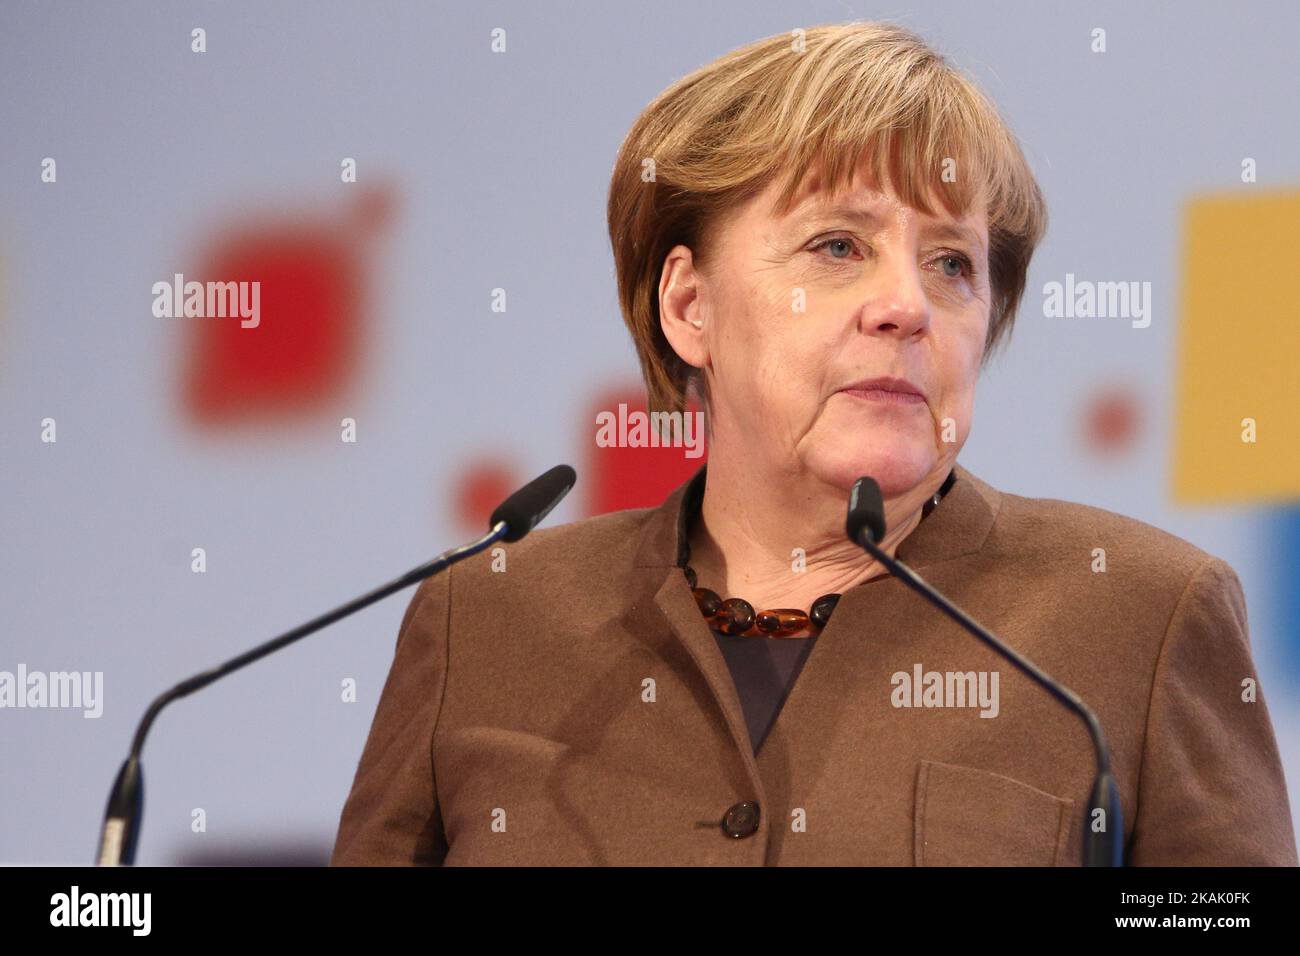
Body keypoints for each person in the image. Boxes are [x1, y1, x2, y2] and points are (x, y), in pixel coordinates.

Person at [330, 21, 1297, 866]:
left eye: (953, 263)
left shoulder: (1139, 617)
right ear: (689, 304)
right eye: (839, 246)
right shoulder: (482, 623)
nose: (907, 306)